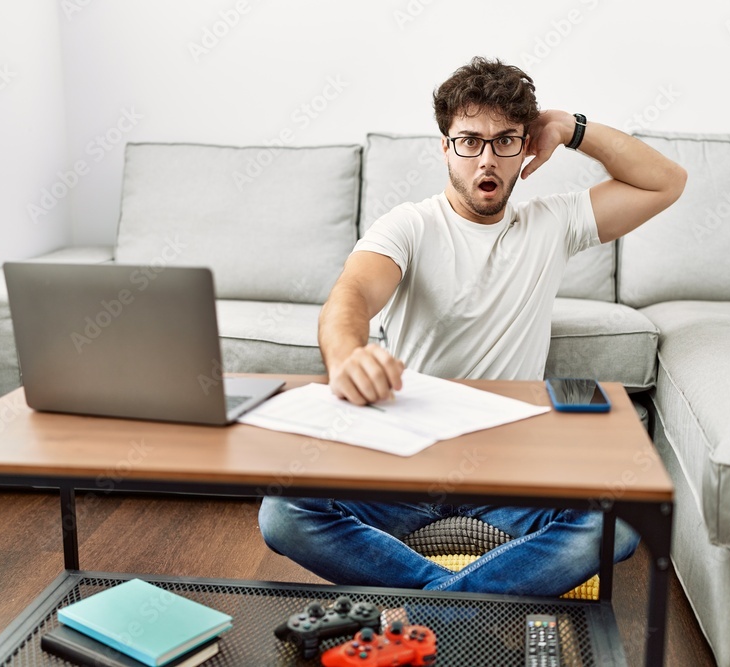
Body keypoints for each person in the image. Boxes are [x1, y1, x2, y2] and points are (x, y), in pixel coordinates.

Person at [258, 56, 686, 597]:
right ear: (445, 148)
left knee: (618, 523)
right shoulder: (410, 226)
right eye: (469, 141)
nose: (486, 159)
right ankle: (463, 607)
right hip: (406, 457)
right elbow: (353, 293)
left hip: (511, 465)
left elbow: (666, 183)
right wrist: (346, 355)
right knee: (283, 513)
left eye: (505, 140)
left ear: (527, 147)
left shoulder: (553, 223)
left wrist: (570, 128)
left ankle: (436, 610)